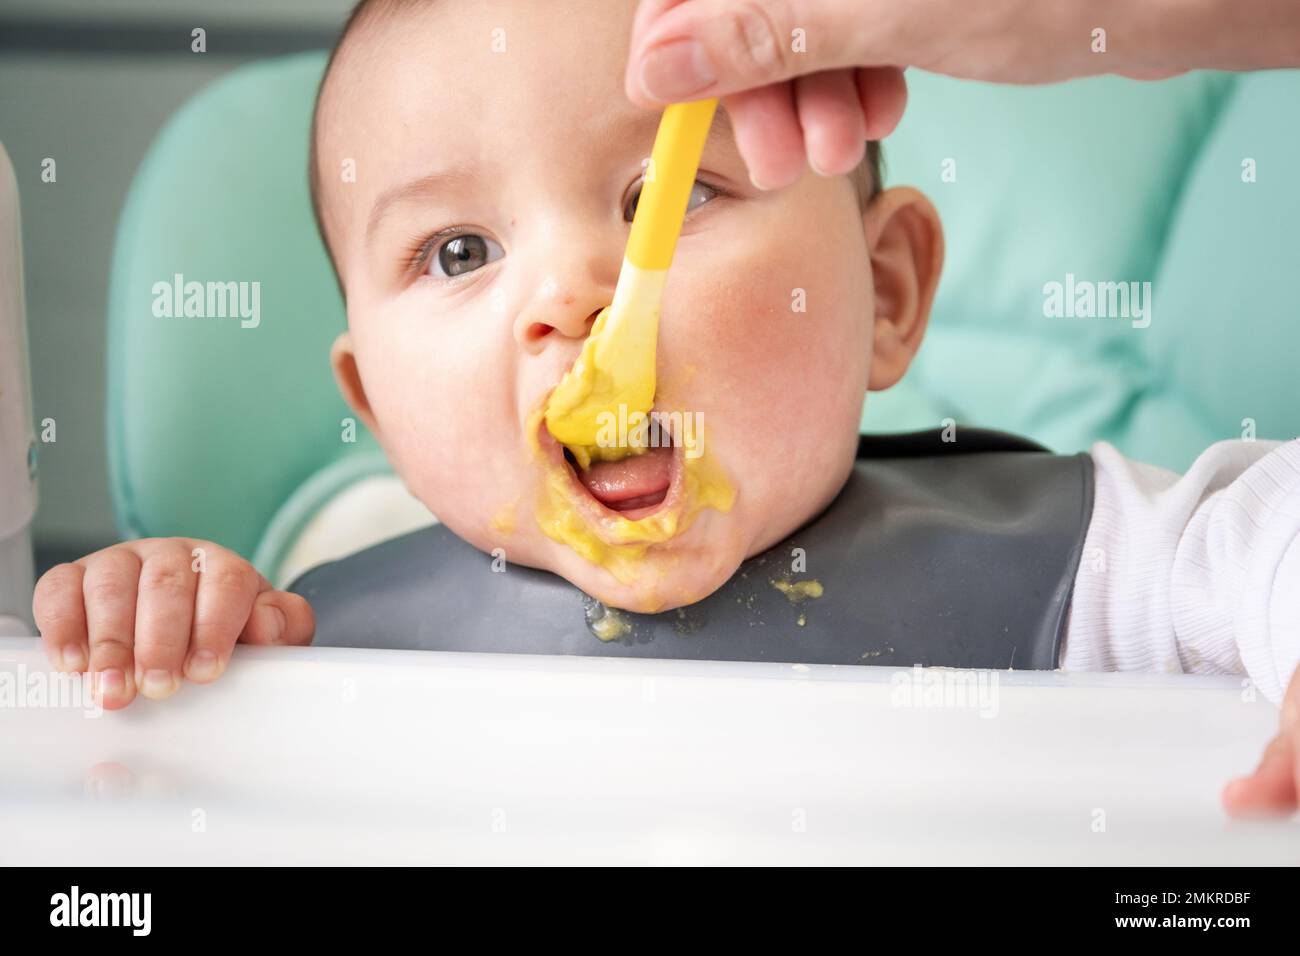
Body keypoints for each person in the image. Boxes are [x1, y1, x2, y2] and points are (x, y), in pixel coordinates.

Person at [31, 0, 1300, 819]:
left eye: (667, 195)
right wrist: (167, 632)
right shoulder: (324, 633)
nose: (569, 297)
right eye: (460, 251)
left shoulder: (1086, 565)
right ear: (379, 405)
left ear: (886, 288)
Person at [624, 0, 1300, 190]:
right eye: (507, 251)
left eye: (689, 194)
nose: (557, 299)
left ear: (888, 290)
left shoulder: (1173, 538)